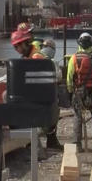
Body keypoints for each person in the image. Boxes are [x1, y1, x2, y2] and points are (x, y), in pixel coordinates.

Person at [10, 22, 63, 151]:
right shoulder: (32, 54)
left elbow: (37, 84)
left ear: (25, 43)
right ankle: (36, 142)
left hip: (40, 100)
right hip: (43, 98)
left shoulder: (36, 57)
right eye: (15, 47)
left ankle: (31, 143)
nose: (16, 49)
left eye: (18, 46)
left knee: (10, 100)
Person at [67, 32, 92, 152]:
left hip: (79, 93)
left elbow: (69, 78)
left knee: (78, 117)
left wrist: (71, 91)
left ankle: (77, 145)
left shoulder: (73, 58)